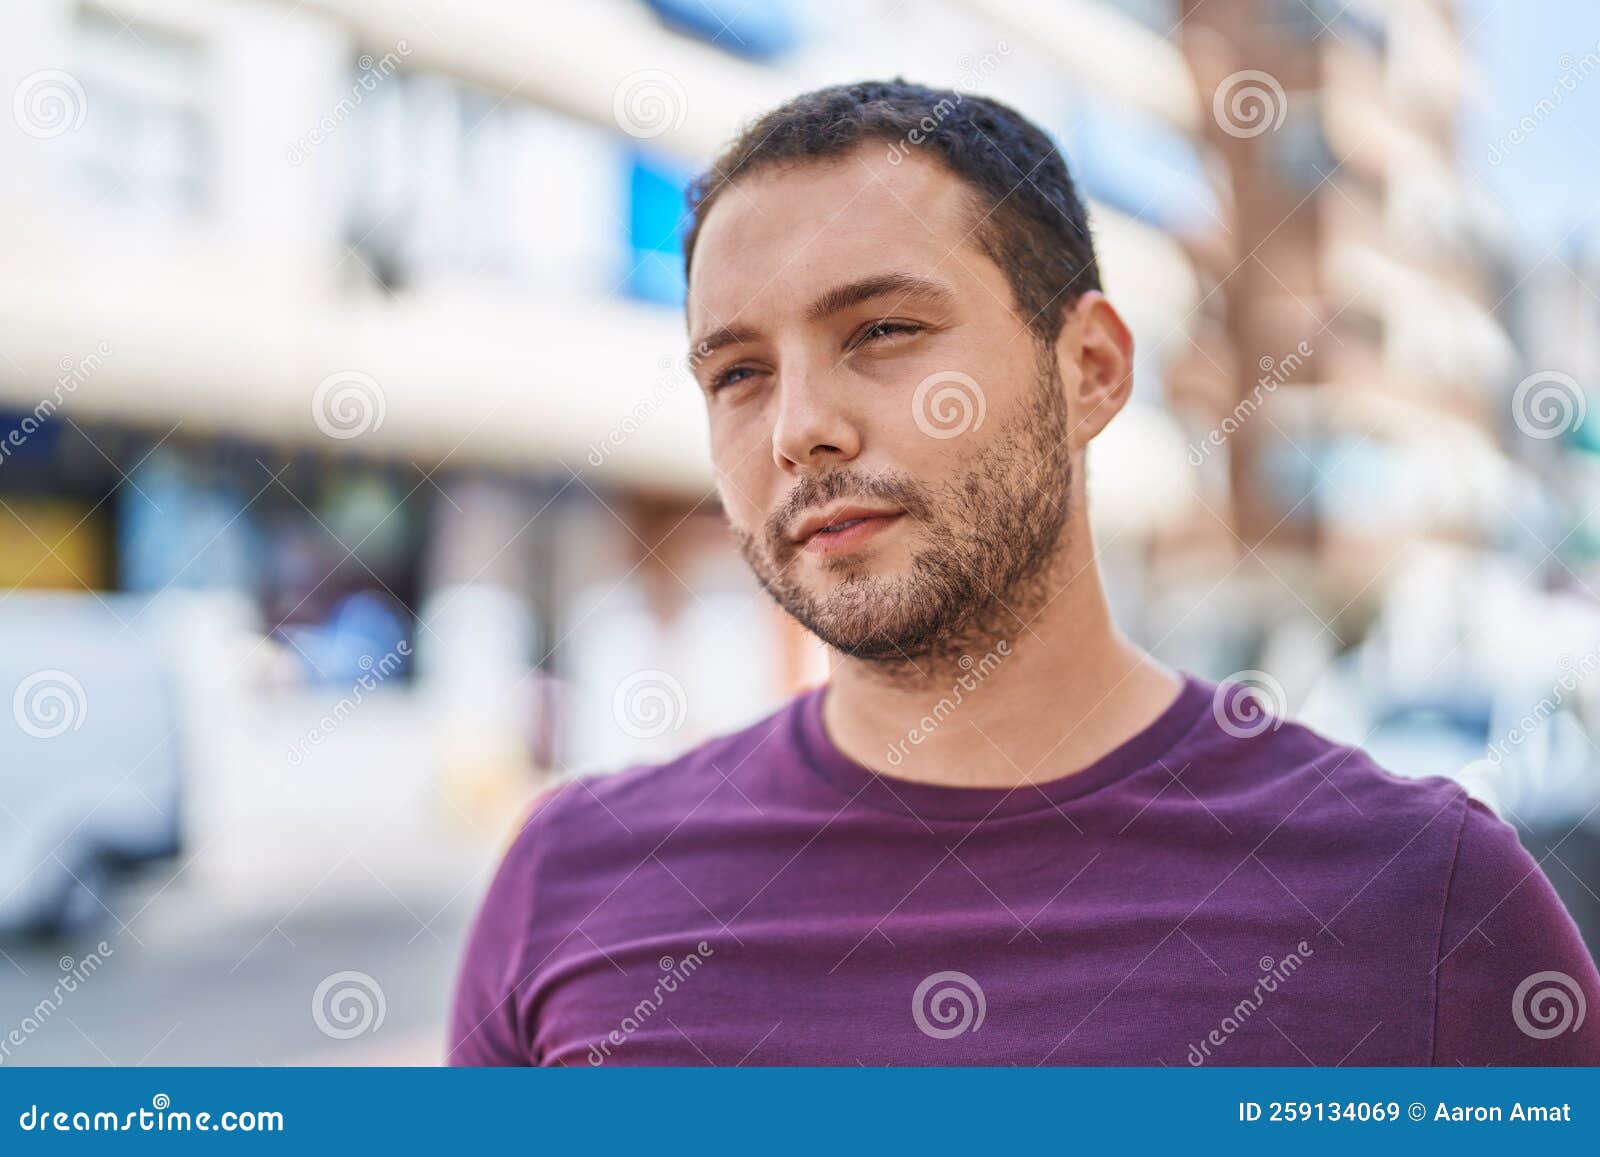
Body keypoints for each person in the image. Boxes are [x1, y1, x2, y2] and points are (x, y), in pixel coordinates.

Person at [449, 81, 1600, 1066]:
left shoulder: (1422, 897)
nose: (800, 427)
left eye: (885, 330)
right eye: (738, 372)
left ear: (1090, 368)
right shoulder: (570, 881)